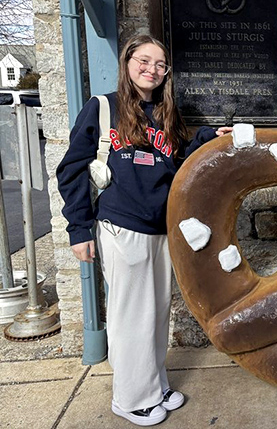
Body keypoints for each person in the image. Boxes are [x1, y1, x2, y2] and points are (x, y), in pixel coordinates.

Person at [57, 35, 231, 426]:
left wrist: (207, 137)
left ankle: (153, 383)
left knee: (155, 313)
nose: (151, 69)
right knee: (131, 315)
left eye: (160, 64)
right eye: (144, 60)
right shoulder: (103, 107)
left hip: (159, 227)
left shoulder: (167, 113)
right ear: (128, 62)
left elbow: (179, 155)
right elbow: (71, 169)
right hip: (121, 225)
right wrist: (79, 228)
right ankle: (131, 397)